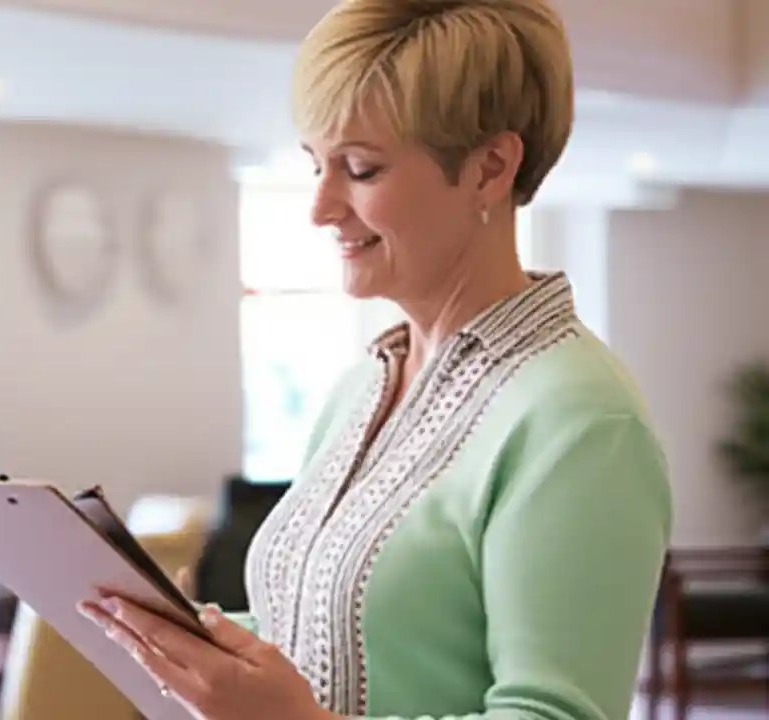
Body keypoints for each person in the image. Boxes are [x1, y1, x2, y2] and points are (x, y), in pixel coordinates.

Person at [78, 0, 673, 718]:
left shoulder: (580, 420)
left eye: (360, 168)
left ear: (490, 168)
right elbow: (342, 645)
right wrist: (204, 645)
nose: (321, 207)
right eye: (316, 166)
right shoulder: (361, 387)